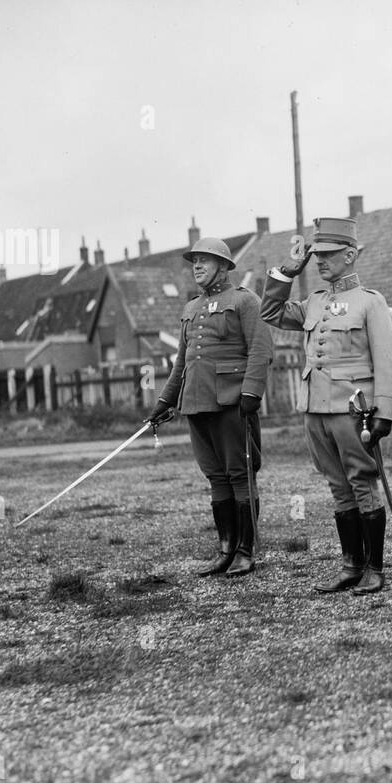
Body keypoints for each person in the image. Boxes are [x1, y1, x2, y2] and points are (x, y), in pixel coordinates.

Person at [260, 217, 392, 595]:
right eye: (316, 254)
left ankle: (374, 568)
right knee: (339, 488)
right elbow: (270, 313)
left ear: (350, 255)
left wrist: (386, 412)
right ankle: (351, 565)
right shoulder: (315, 302)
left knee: (362, 484)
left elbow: (389, 361)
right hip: (315, 408)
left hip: (353, 410)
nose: (319, 261)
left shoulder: (371, 302)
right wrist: (287, 273)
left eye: (327, 254)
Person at [146, 236, 273, 577]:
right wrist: (163, 401)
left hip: (232, 402)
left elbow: (261, 350)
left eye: (204, 260)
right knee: (216, 477)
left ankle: (246, 551)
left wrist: (251, 394)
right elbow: (181, 364)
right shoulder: (190, 308)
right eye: (194, 261)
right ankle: (226, 549)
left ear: (223, 266)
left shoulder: (245, 301)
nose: (197, 266)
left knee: (240, 475)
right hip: (196, 404)